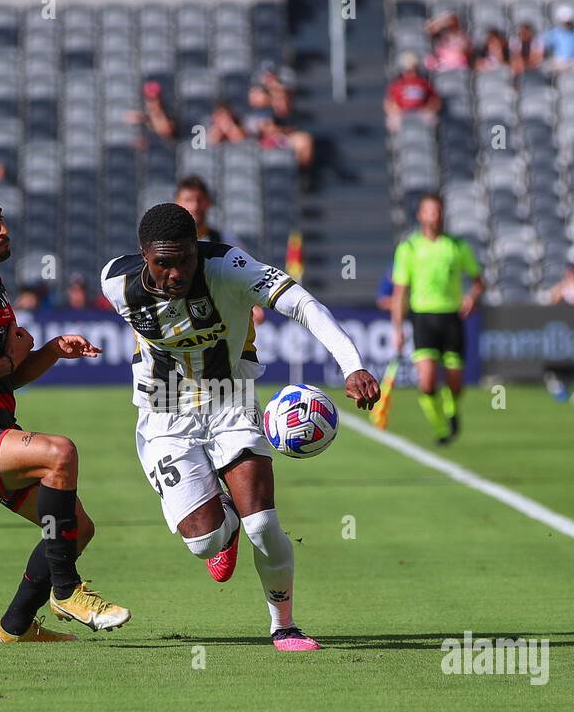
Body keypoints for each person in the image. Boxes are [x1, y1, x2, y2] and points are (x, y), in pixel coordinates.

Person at [100, 203, 380, 651]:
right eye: (163, 263)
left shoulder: (231, 268)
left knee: (264, 524)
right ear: (143, 256)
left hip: (230, 402)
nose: (175, 273)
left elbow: (303, 304)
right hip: (164, 414)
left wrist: (352, 365)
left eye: (185, 260)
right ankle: (221, 516)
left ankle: (284, 625)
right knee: (205, 542)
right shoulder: (116, 282)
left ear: (198, 248)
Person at [0, 186, 129, 643]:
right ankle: (68, 591)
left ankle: (13, 627)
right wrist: (12, 359)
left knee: (75, 528)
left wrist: (50, 351)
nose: (2, 230)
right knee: (60, 453)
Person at [389, 193, 484, 445]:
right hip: (422, 318)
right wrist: (397, 328)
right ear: (420, 215)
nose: (435, 215)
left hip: (451, 317)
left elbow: (478, 282)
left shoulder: (457, 246)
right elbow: (400, 292)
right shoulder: (409, 248)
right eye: (430, 211)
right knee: (428, 380)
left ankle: (453, 409)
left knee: (455, 380)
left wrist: (472, 297)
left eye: (438, 211)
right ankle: (440, 426)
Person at [384, 51, 441, 132]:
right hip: (402, 113)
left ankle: (431, 141)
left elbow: (435, 100)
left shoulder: (423, 83)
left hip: (421, 112)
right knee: (392, 122)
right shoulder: (397, 84)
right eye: (408, 70)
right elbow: (389, 102)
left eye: (412, 69)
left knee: (432, 120)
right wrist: (395, 111)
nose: (410, 72)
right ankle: (398, 142)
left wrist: (429, 109)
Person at [542, 4, 574, 70]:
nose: (567, 24)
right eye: (565, 22)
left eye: (569, 22)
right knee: (545, 68)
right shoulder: (553, 33)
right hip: (558, 61)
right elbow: (546, 49)